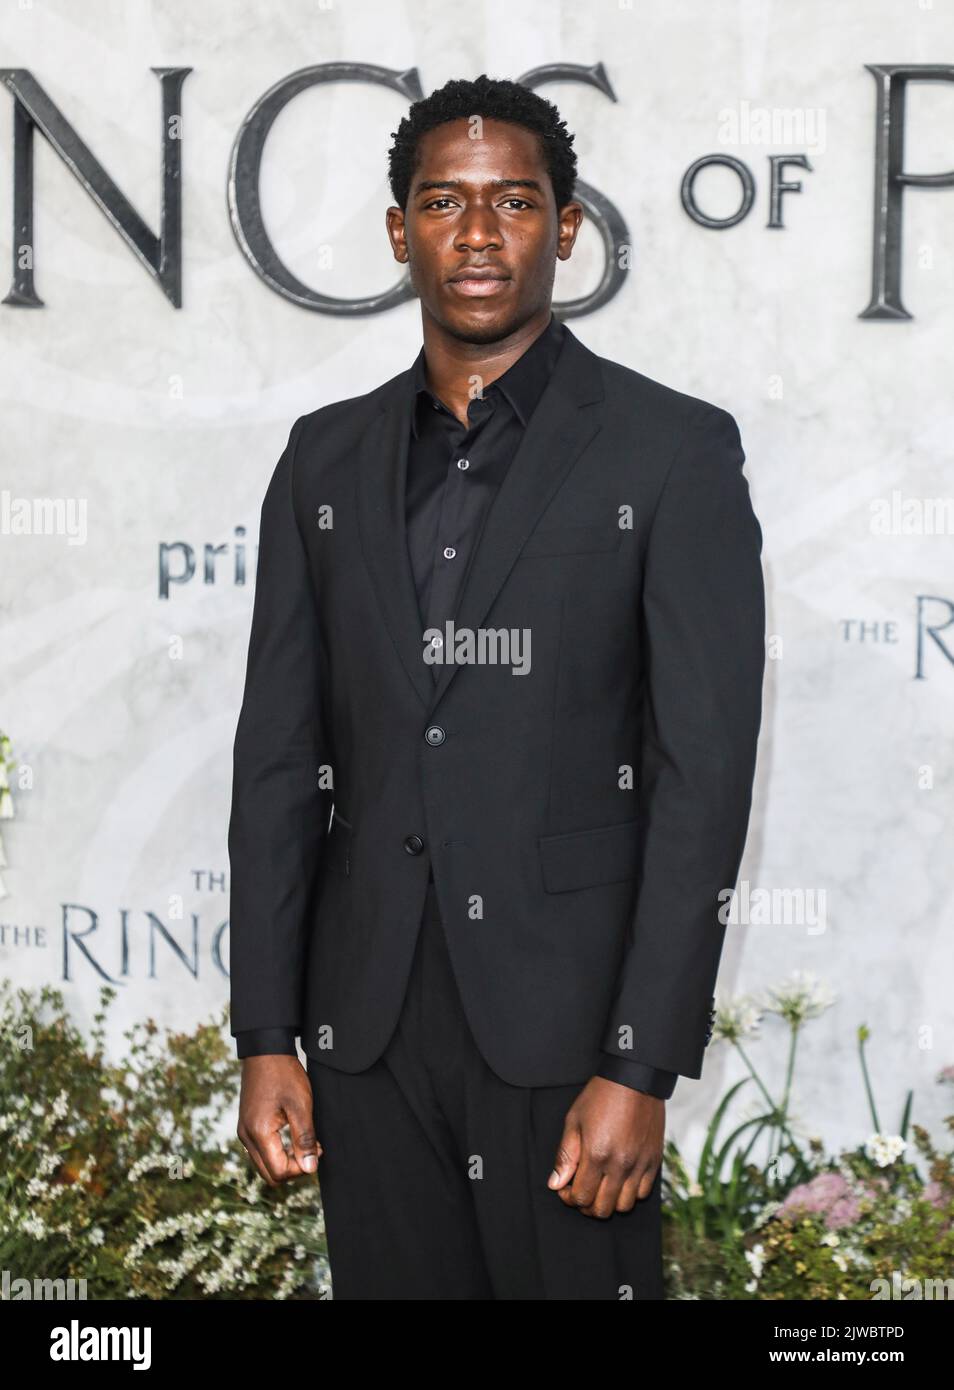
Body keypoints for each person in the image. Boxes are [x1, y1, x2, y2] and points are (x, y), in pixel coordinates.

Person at [228, 74, 765, 1300]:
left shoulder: (670, 451)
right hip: (363, 1034)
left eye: (514, 202)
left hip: (569, 1038)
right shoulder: (323, 458)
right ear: (398, 229)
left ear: (566, 228)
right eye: (443, 202)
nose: (478, 233)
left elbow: (702, 776)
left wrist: (641, 1064)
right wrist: (267, 1033)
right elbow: (275, 761)